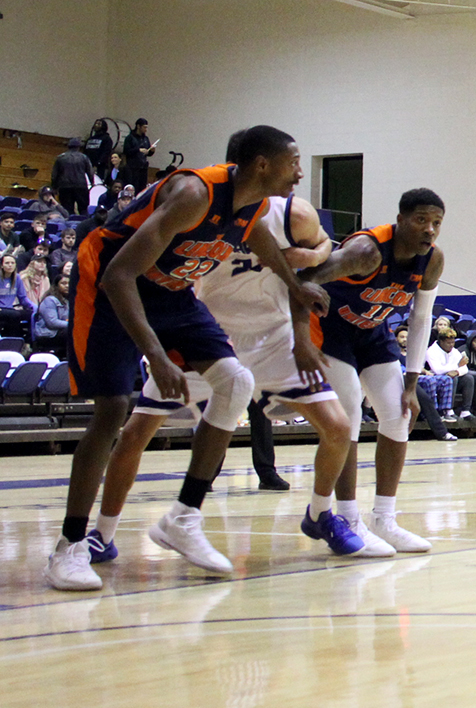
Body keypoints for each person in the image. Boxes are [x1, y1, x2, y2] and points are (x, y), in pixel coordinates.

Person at [45, 126, 325, 591]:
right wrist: (156, 355)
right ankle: (70, 546)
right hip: (111, 283)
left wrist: (296, 288)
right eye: (294, 162)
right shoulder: (195, 194)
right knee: (113, 409)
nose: (299, 173)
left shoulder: (253, 204)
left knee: (235, 383)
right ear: (262, 165)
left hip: (171, 291)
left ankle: (183, 517)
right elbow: (119, 275)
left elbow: (259, 239)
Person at [90, 185, 373, 564]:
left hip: (274, 337)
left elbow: (324, 246)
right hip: (209, 334)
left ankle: (319, 514)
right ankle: (103, 533)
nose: (297, 174)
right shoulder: (204, 209)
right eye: (290, 163)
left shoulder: (295, 214)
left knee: (338, 427)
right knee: (135, 433)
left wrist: (312, 255)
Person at [302, 188, 447, 555]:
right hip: (330, 329)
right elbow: (305, 280)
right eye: (421, 220)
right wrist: (298, 338)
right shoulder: (365, 252)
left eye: (436, 223)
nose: (429, 229)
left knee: (399, 413)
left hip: (371, 331)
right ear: (400, 220)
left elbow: (421, 318)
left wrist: (411, 383)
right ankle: (348, 519)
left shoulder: (432, 259)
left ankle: (384, 519)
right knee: (349, 411)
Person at [53, 138, 94, 217]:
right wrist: (92, 183)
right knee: (83, 209)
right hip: (81, 186)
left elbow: (55, 175)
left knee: (67, 210)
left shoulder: (61, 157)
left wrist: (54, 187)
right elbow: (90, 172)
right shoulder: (84, 157)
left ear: (68, 146)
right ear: (78, 147)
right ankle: (82, 222)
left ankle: (69, 223)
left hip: (65, 186)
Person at [33, 273, 70, 352]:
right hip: (48, 334)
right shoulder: (50, 300)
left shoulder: (69, 300)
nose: (67, 286)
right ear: (56, 286)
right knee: (71, 331)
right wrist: (73, 324)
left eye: (69, 283)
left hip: (61, 330)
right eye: (63, 283)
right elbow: (52, 323)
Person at [122, 118, 158, 191]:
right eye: (144, 127)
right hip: (133, 167)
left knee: (142, 187)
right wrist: (138, 150)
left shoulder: (145, 138)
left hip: (143, 167)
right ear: (138, 126)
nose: (146, 129)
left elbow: (148, 153)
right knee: (133, 186)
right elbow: (126, 151)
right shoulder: (130, 138)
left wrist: (151, 151)